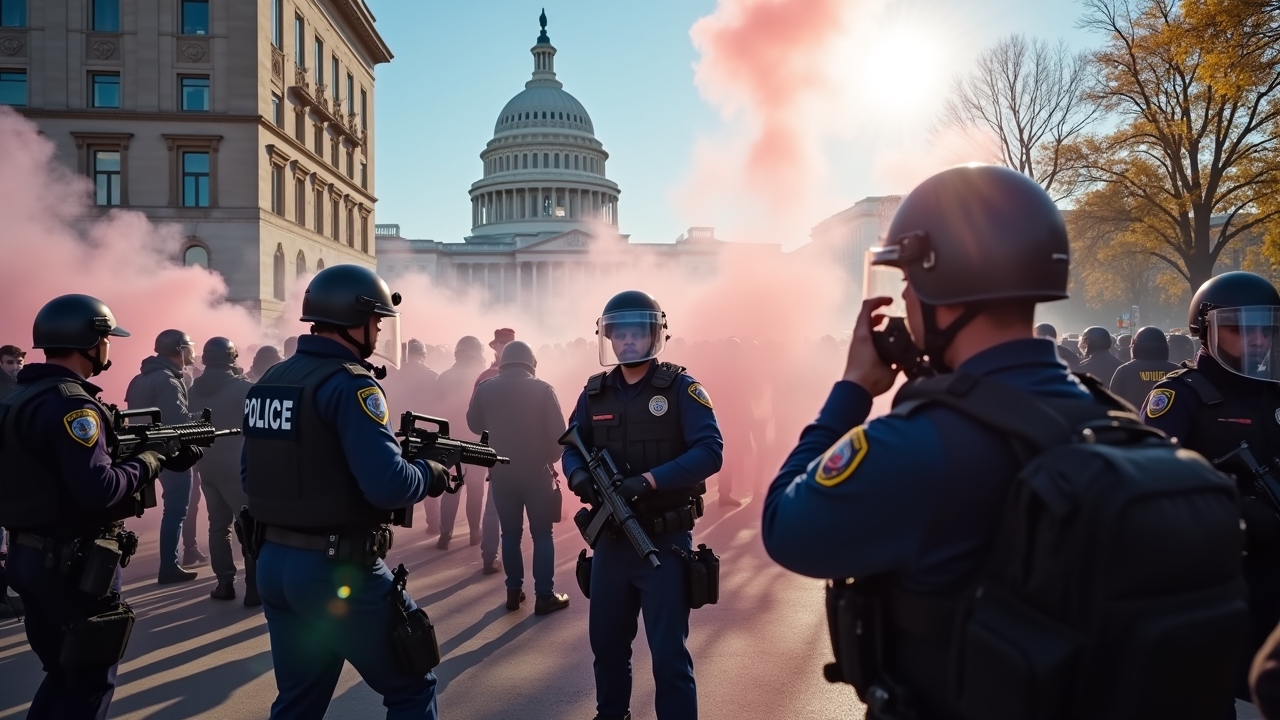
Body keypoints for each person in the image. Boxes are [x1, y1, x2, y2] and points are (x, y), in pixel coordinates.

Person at [762, 165, 1240, 719]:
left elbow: (784, 525)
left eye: (910, 284)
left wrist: (850, 392)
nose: (907, 302)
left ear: (939, 285)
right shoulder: (1109, 412)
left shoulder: (917, 444)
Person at [242, 264, 452, 719]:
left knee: (298, 702)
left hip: (273, 563)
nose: (378, 331)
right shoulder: (351, 384)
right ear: (352, 321)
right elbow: (389, 485)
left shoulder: (271, 380)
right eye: (375, 321)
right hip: (336, 570)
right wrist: (431, 473)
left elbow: (250, 478)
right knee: (413, 686)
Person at [0, 294, 196, 719]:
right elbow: (99, 489)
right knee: (88, 681)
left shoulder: (21, 397)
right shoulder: (74, 406)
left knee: (62, 674)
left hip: (29, 555)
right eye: (106, 337)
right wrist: (152, 459)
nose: (108, 346)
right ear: (90, 341)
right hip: (71, 565)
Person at [562, 290, 724, 720]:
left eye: (637, 333)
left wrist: (648, 482)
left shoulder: (682, 388)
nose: (628, 342)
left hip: (664, 543)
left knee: (670, 658)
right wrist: (579, 476)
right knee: (607, 652)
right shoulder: (595, 393)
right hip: (612, 545)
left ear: (655, 335)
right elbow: (571, 446)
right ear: (609, 339)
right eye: (621, 334)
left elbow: (710, 451)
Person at [1141, 271, 1280, 702]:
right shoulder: (1180, 397)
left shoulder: (1273, 392)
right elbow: (1157, 489)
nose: (1257, 339)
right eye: (1239, 328)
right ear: (1206, 332)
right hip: (1223, 576)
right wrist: (1236, 508)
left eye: (1266, 328)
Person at [467, 340, 569, 613]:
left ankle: (514, 592)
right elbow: (560, 434)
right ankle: (545, 595)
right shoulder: (543, 389)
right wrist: (549, 459)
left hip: (501, 473)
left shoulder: (486, 387)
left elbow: (473, 423)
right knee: (543, 535)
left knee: (510, 535)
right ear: (531, 363)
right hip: (537, 474)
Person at [125, 328, 204, 583]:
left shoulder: (140, 378)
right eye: (188, 347)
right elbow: (176, 419)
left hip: (145, 453)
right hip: (170, 453)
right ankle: (169, 566)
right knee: (176, 511)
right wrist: (200, 419)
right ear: (179, 350)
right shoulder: (168, 379)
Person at [188, 337, 259, 605]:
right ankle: (253, 587)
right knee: (249, 526)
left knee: (218, 527)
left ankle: (224, 583)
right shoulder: (245, 389)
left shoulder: (193, 390)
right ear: (232, 358)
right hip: (238, 466)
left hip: (206, 465)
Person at [434, 335, 487, 550]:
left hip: (449, 440)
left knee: (450, 487)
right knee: (475, 489)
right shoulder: (482, 378)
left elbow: (434, 409)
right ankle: (475, 532)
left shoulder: (444, 377)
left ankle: (445, 534)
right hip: (476, 441)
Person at [471, 328, 515, 573]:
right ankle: (492, 556)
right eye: (503, 343)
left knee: (496, 504)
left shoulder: (486, 377)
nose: (505, 347)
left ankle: (493, 555)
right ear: (495, 346)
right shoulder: (486, 376)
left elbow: (473, 418)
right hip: (510, 446)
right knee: (498, 504)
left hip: (498, 444)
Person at [1108, 326, 1177, 409]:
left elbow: (1111, 404)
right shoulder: (1178, 371)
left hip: (1133, 421)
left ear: (1135, 347)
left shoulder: (1124, 370)